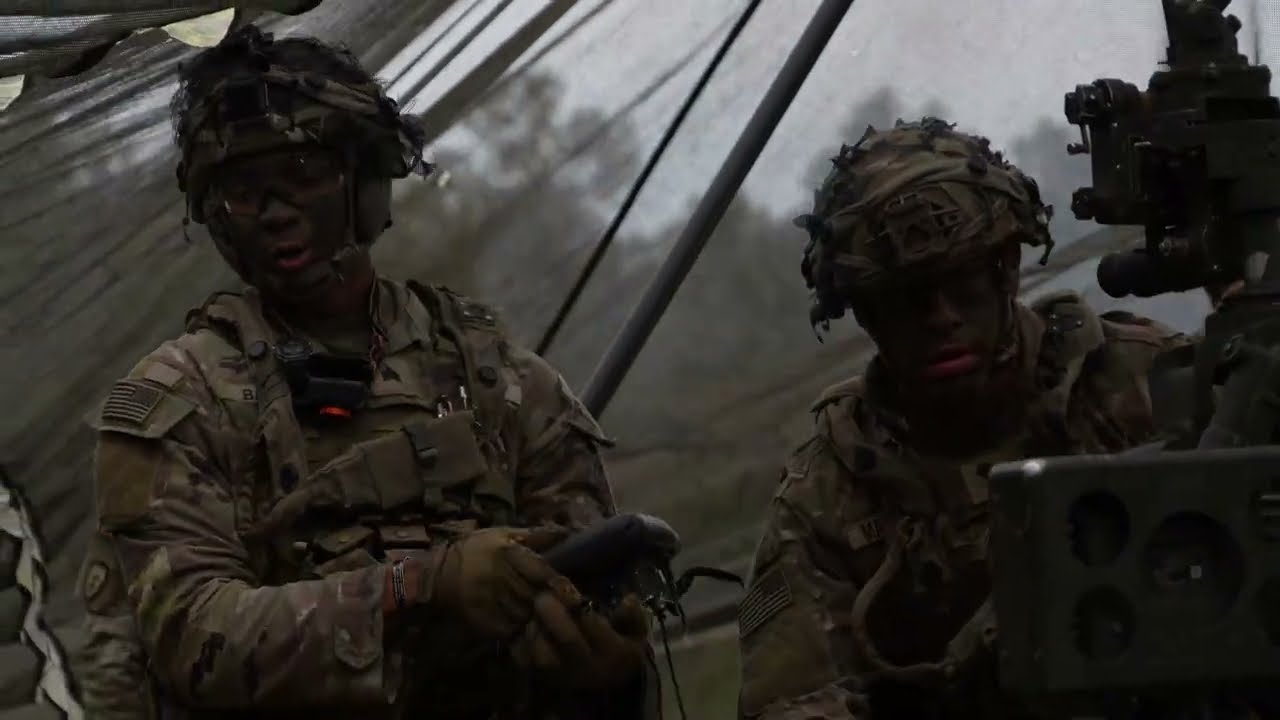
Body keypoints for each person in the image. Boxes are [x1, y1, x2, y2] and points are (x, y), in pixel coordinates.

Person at [76, 25, 653, 719]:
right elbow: (194, 634)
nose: (276, 214)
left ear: (368, 180)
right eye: (243, 189)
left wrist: (609, 665)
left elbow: (596, 585)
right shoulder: (183, 397)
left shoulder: (499, 379)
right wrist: (420, 587)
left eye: (303, 175)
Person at [736, 118, 1192, 719]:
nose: (941, 317)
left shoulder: (1146, 385)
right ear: (869, 316)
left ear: (1005, 269)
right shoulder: (831, 492)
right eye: (907, 300)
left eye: (962, 283)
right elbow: (791, 701)